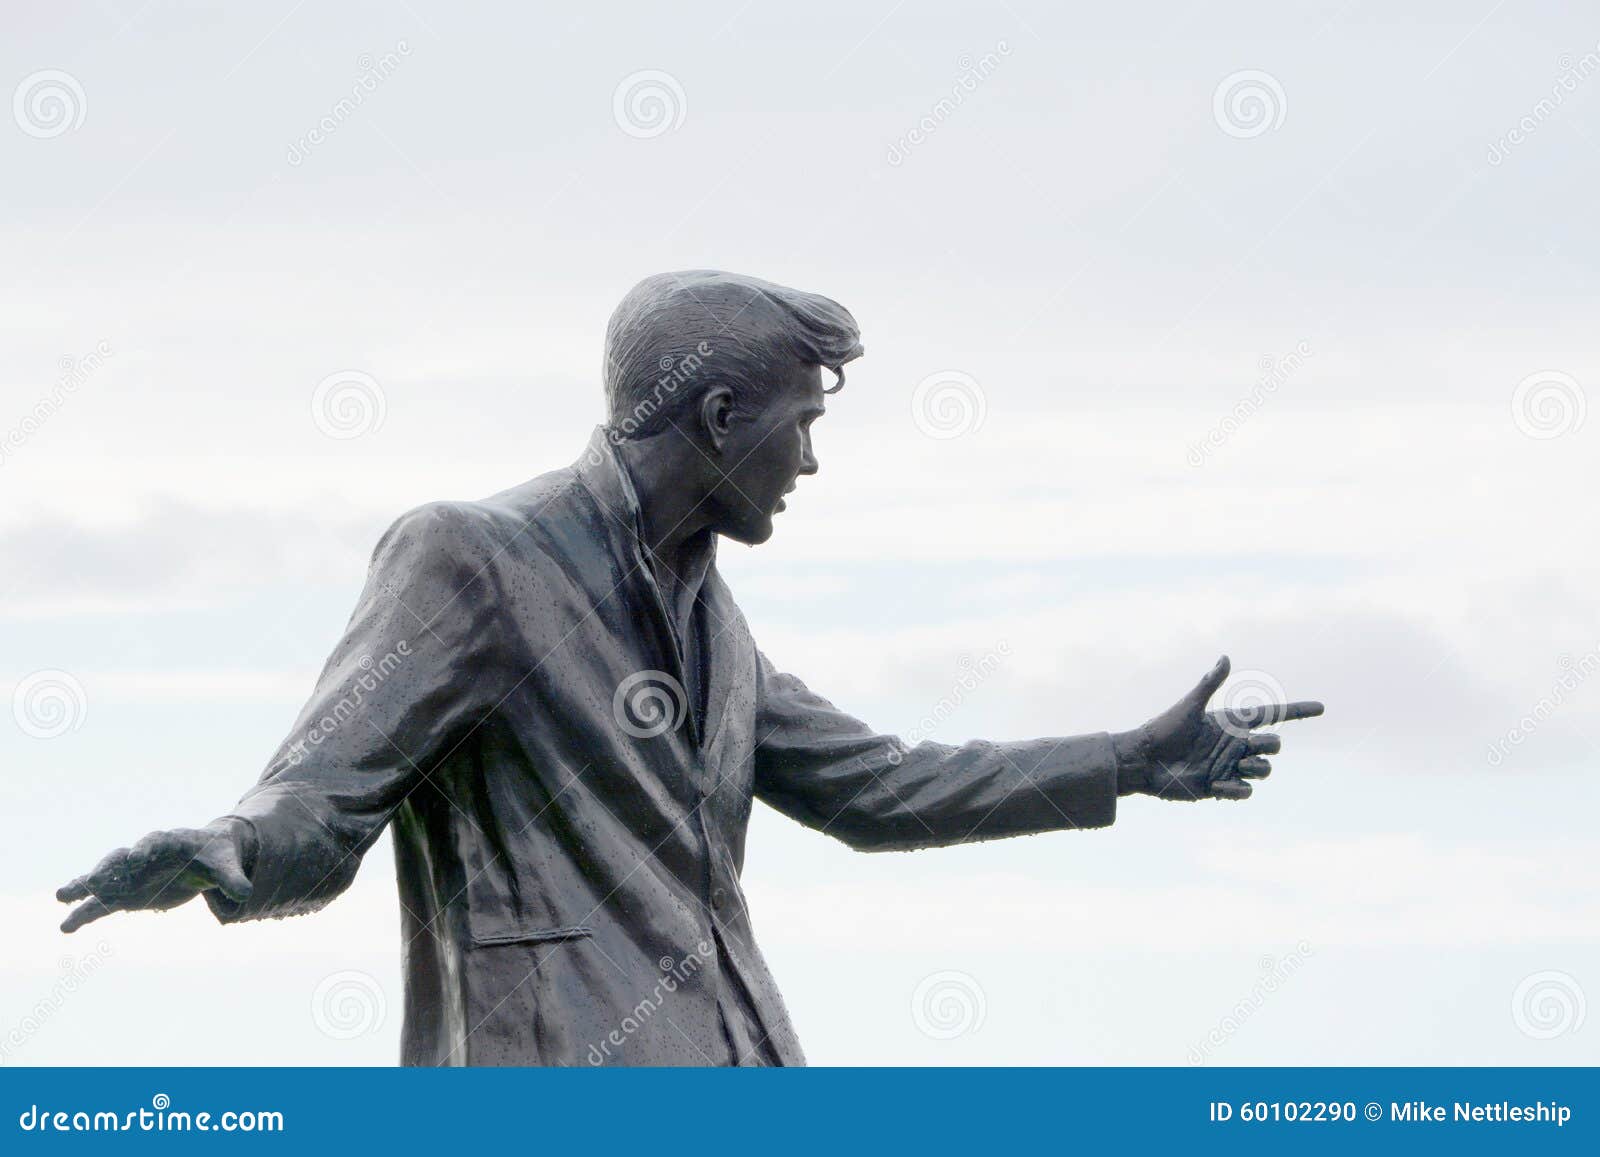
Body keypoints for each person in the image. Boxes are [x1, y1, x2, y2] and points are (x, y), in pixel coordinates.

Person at [56, 270, 1323, 1065]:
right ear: (718, 419)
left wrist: (1125, 762)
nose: (810, 465)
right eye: (800, 427)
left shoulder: (718, 621)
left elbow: (880, 786)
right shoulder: (475, 557)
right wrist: (234, 843)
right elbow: (326, 790)